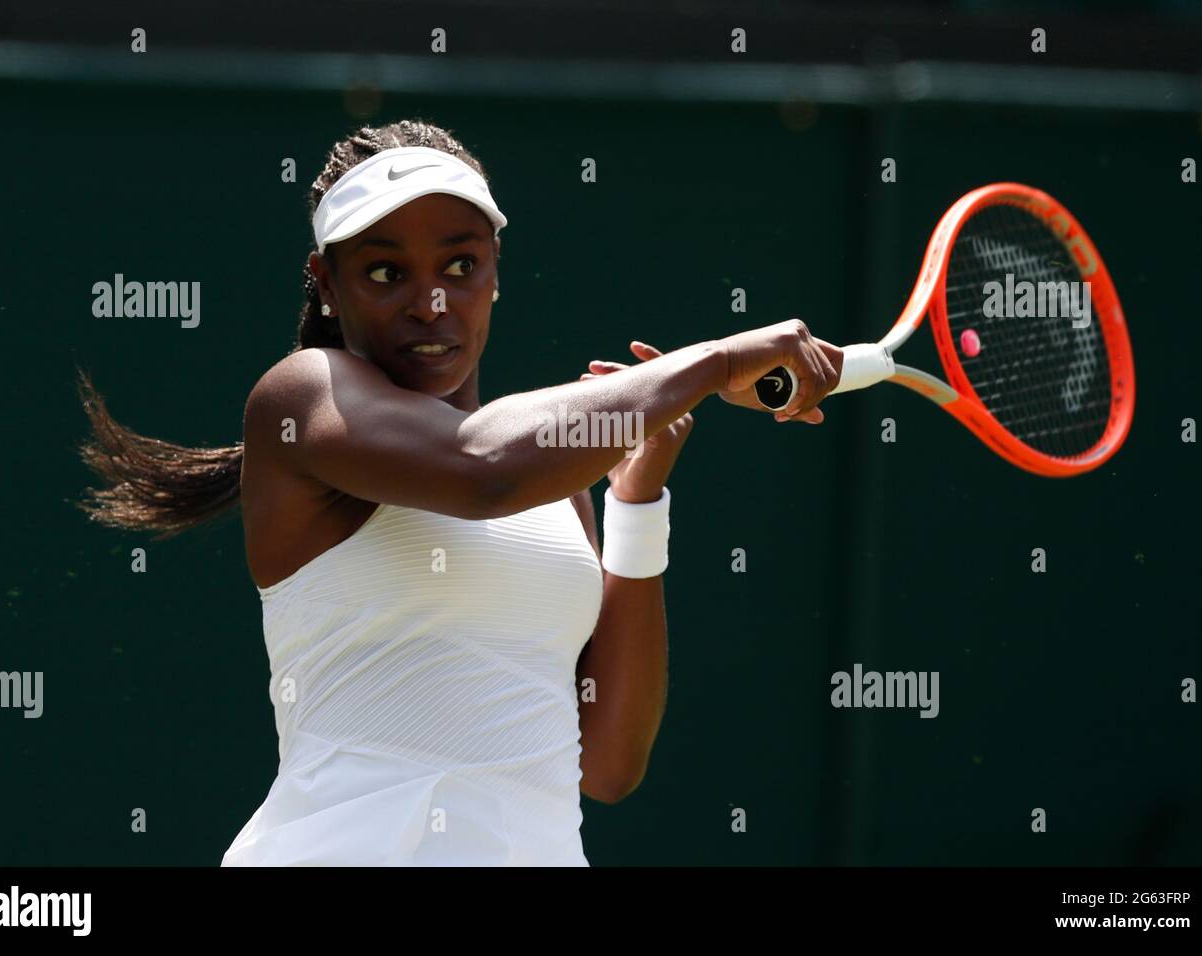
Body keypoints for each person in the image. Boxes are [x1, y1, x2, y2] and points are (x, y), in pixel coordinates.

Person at [75, 118, 841, 866]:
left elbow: (608, 766)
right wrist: (715, 362)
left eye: (460, 266)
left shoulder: (554, 486)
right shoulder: (304, 400)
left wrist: (637, 505)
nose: (430, 303)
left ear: (496, 269)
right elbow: (480, 468)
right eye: (385, 273)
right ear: (327, 285)